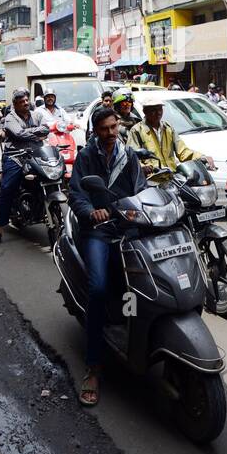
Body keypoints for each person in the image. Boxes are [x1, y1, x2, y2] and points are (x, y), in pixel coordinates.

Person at [67, 106, 149, 407]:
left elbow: (142, 189)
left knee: (143, 283)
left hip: (127, 226)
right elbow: (75, 192)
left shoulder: (129, 156)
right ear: (95, 130)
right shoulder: (88, 156)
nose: (111, 133)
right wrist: (91, 211)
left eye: (114, 127)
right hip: (98, 230)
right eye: (104, 129)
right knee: (99, 288)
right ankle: (93, 366)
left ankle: (136, 338)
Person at [0, 88, 50, 245]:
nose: (25, 103)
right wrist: (36, 134)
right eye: (21, 101)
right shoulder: (10, 118)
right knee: (7, 188)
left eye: (26, 100)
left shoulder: (37, 113)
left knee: (52, 175)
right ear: (15, 104)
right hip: (15, 156)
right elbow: (18, 134)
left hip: (36, 153)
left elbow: (46, 129)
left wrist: (30, 132)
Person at [128, 93, 216, 174]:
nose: (158, 112)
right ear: (145, 111)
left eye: (160, 109)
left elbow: (183, 151)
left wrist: (201, 157)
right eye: (153, 110)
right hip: (152, 179)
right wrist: (143, 167)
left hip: (172, 177)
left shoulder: (168, 128)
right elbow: (132, 157)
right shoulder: (137, 130)